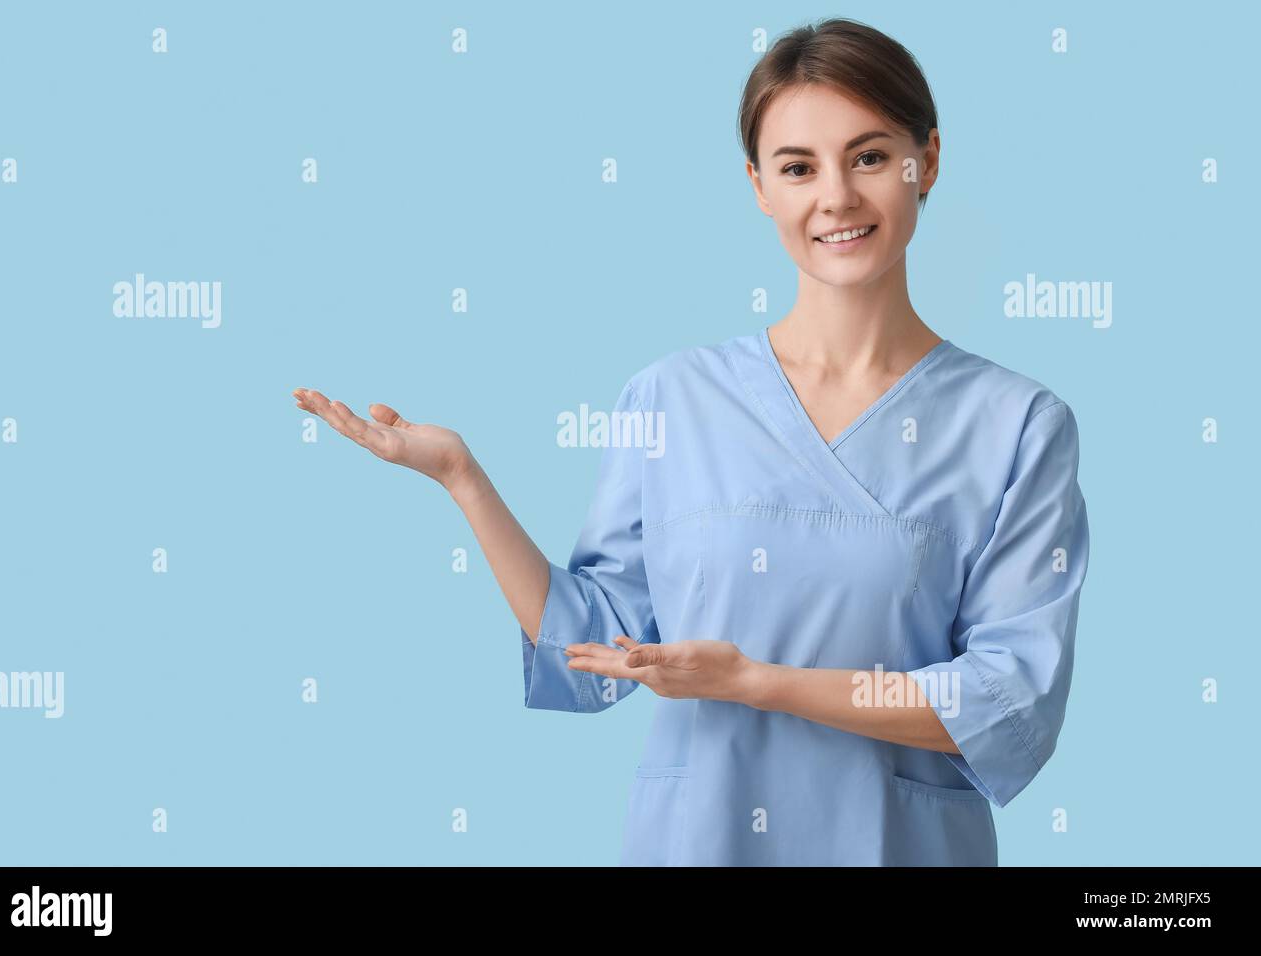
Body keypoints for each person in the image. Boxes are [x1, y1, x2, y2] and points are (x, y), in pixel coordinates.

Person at [290, 17, 1090, 866]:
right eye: (798, 167)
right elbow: (591, 641)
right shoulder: (671, 399)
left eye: (868, 156)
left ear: (925, 160)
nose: (836, 197)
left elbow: (1008, 700)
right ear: (759, 186)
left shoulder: (1017, 425)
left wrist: (758, 684)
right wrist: (463, 479)